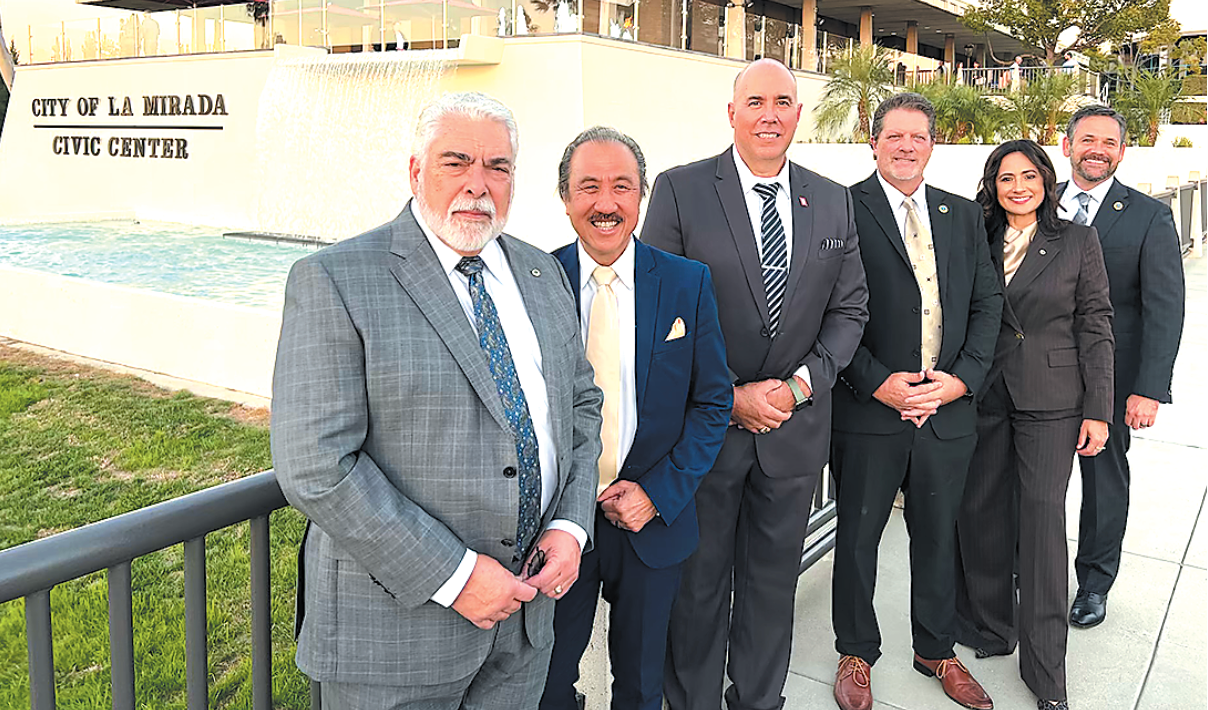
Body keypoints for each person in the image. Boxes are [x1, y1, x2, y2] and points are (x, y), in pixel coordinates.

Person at [270, 91, 603, 709]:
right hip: (395, 637)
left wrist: (571, 523)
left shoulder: (539, 271)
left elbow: (581, 403)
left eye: (498, 167)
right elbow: (315, 464)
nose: (479, 184)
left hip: (525, 623)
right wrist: (455, 577)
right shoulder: (337, 279)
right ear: (416, 170)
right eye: (457, 162)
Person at [644, 57, 870, 710]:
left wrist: (797, 388)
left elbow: (850, 309)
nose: (769, 114)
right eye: (756, 102)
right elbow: (660, 312)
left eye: (782, 102)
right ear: (733, 113)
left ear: (798, 114)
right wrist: (728, 397)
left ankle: (758, 701)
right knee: (698, 586)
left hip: (794, 436)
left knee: (772, 588)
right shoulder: (681, 190)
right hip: (704, 437)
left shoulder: (832, 199)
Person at [540, 127, 733, 710]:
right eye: (589, 187)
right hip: (553, 525)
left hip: (651, 521)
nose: (606, 203)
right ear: (565, 196)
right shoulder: (534, 282)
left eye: (621, 186)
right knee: (546, 684)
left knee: (643, 687)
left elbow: (713, 402)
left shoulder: (686, 282)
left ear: (642, 196)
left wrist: (657, 492)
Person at [831, 93, 1001, 710]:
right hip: (869, 409)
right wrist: (876, 381)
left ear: (933, 145)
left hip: (947, 409)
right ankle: (855, 650)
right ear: (873, 142)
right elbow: (829, 310)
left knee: (938, 536)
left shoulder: (961, 215)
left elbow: (987, 306)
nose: (907, 147)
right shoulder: (842, 207)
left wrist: (960, 381)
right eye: (894, 136)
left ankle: (936, 649)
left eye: (919, 137)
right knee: (858, 538)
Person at [955, 139, 1114, 710]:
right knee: (982, 511)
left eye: (1028, 176)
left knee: (1043, 523)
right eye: (1005, 178)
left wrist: (1099, 407)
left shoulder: (1076, 239)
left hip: (1052, 396)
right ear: (992, 186)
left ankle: (1047, 674)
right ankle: (991, 628)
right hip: (985, 393)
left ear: (1047, 180)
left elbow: (1095, 322)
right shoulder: (977, 238)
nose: (1017, 187)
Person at [1059, 105, 1185, 628]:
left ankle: (1093, 583)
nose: (1097, 150)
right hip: (1032, 373)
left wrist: (1149, 388)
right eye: (1087, 139)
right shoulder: (1035, 202)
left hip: (1108, 379)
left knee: (1105, 482)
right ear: (1066, 145)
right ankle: (1024, 570)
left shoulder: (1148, 215)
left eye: (1108, 142)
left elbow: (1165, 306)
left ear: (1121, 152)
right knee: (1027, 478)